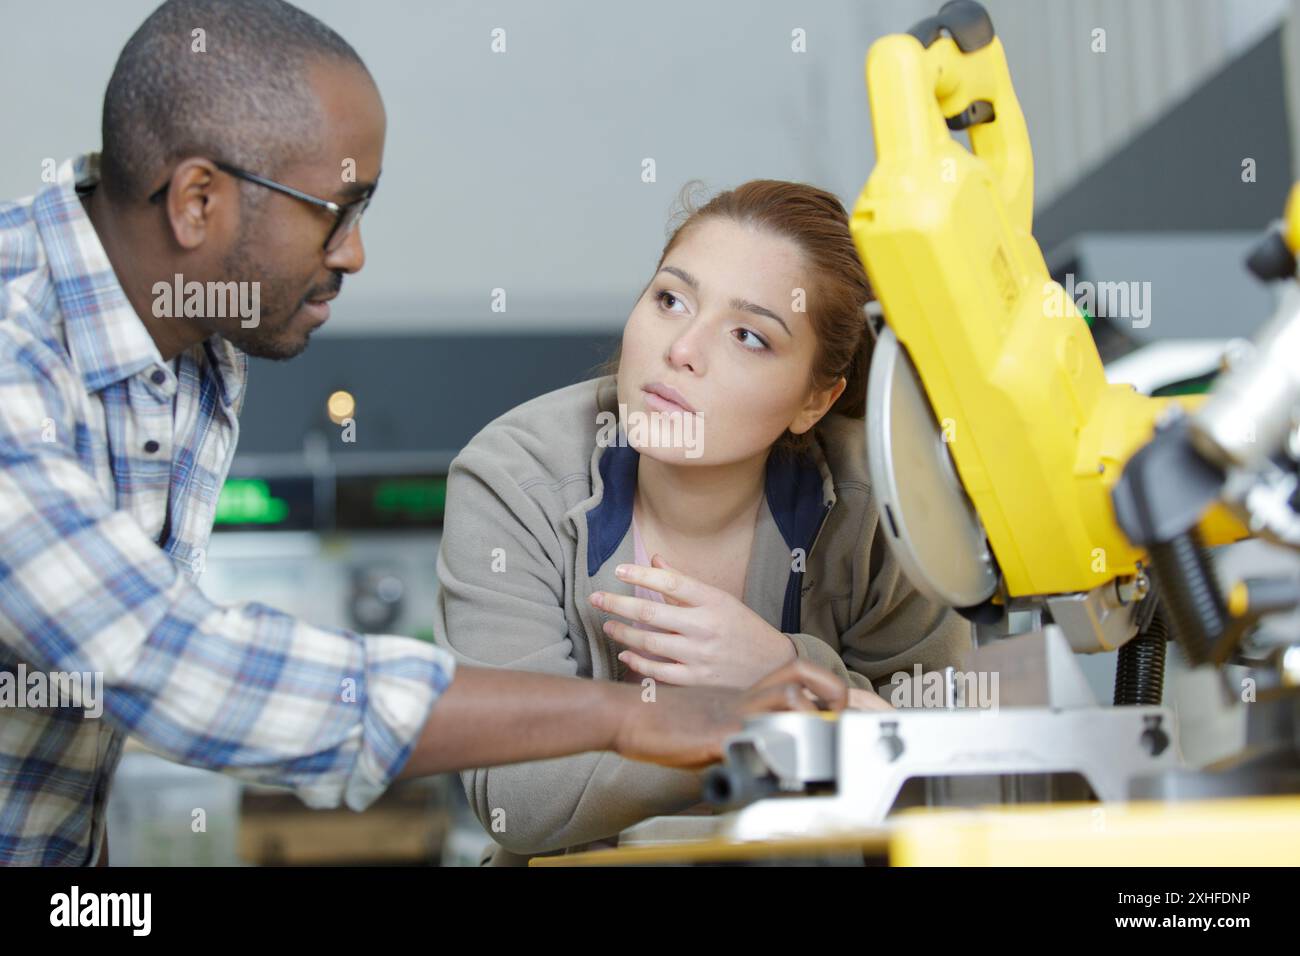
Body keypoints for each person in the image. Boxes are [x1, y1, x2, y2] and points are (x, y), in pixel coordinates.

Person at [0, 0, 845, 867]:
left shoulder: (192, 347)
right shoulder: (14, 353)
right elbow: (174, 670)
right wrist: (640, 715)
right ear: (197, 202)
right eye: (338, 209)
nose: (355, 252)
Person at [433, 179, 974, 863]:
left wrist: (781, 664)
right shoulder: (515, 478)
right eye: (670, 299)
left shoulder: (883, 502)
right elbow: (522, 800)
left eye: (749, 335)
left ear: (816, 398)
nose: (683, 347)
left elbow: (954, 777)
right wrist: (752, 720)